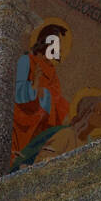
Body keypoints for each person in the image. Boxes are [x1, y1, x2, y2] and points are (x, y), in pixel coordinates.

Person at [12, 22, 69, 167]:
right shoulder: (27, 61)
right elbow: (17, 93)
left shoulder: (52, 72)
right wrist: (35, 86)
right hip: (24, 120)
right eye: (57, 43)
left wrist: (48, 96)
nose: (60, 48)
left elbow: (57, 98)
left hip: (44, 124)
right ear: (46, 41)